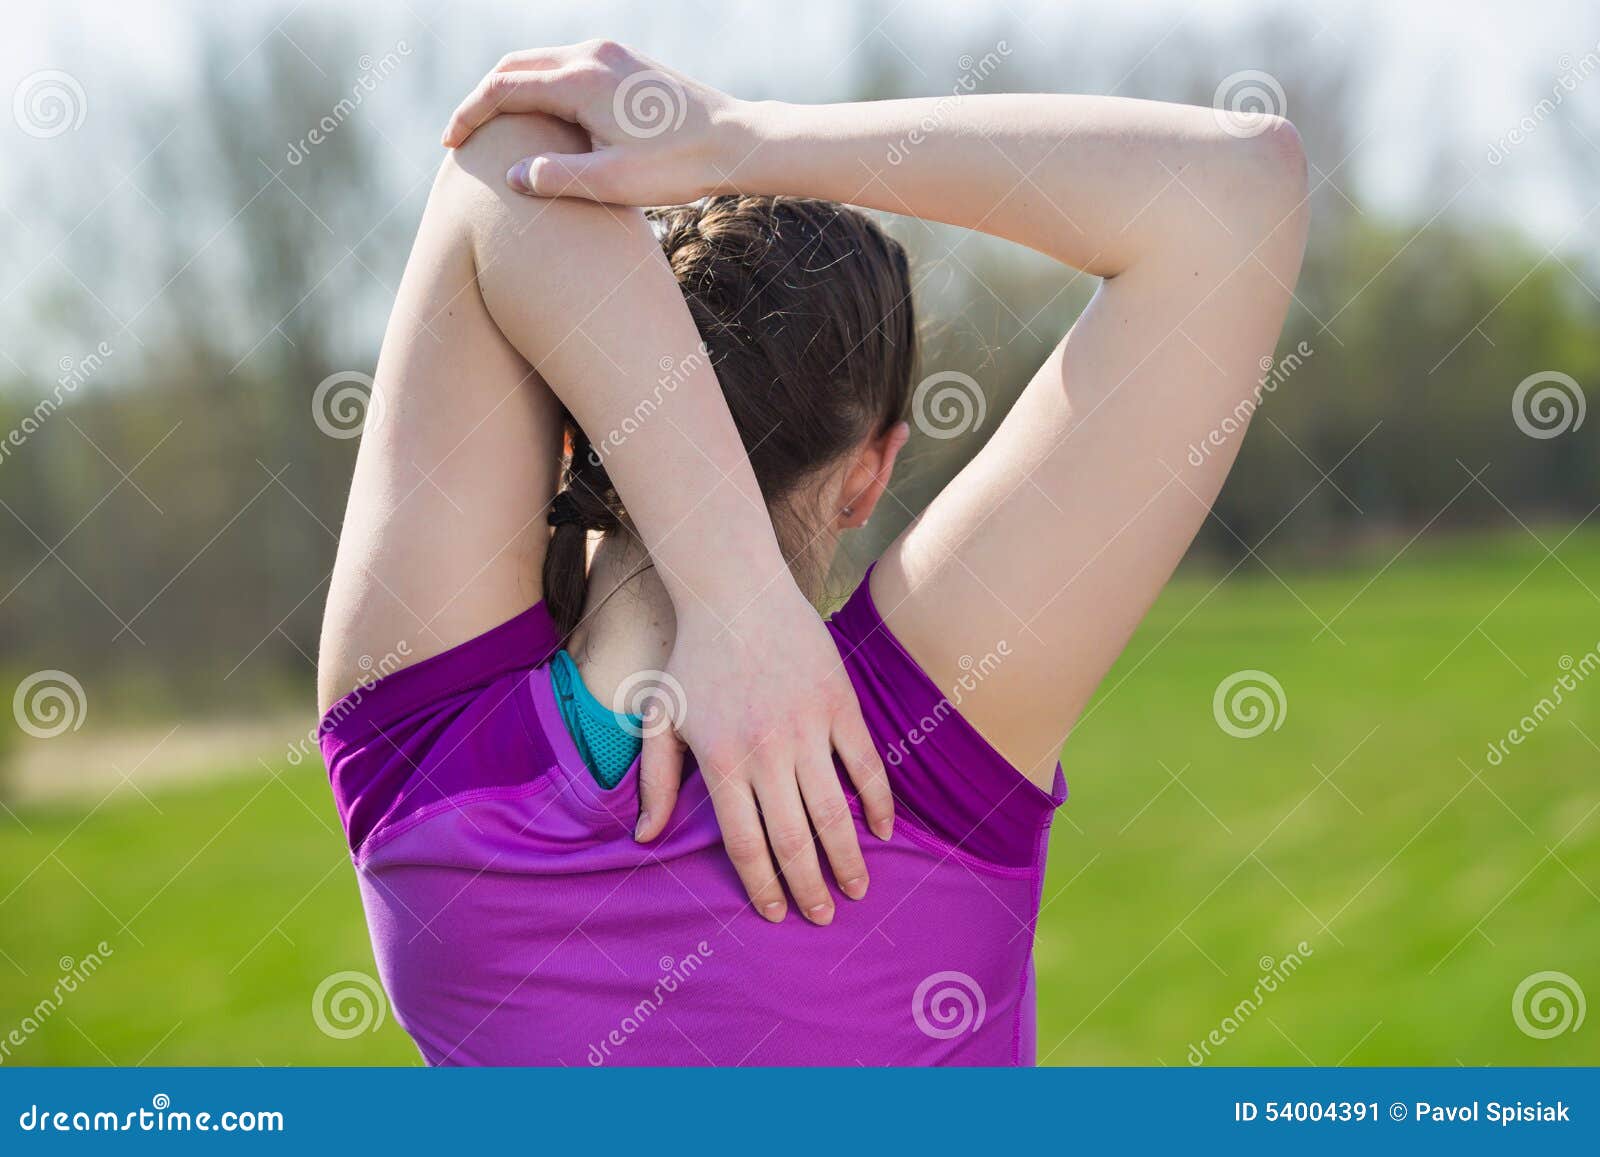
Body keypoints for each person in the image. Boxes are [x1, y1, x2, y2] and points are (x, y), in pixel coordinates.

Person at [316, 41, 1309, 1065]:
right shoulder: (920, 753)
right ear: (870, 471)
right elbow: (1234, 188)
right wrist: (746, 136)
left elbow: (511, 153)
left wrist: (725, 586)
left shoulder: (424, 759)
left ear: (572, 429)